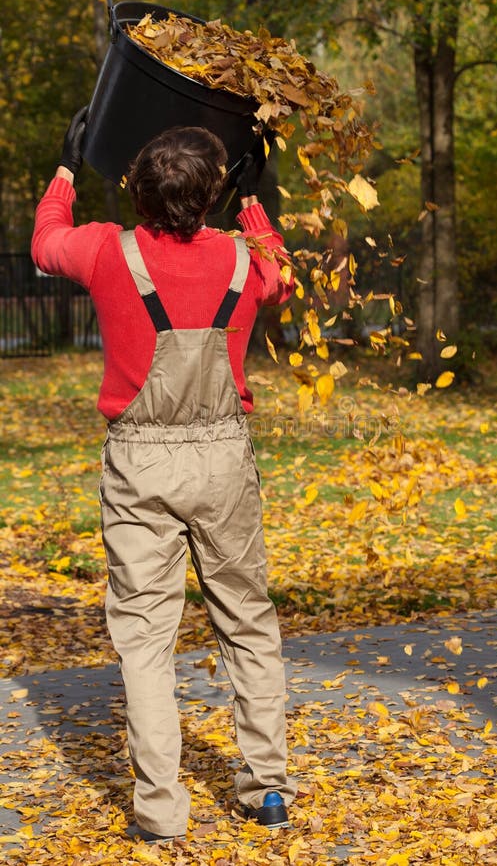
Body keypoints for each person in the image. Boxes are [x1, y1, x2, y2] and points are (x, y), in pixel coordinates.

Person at [31, 108, 298, 842]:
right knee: (246, 619)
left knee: (145, 638)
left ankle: (159, 810)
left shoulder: (105, 252)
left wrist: (64, 168)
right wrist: (253, 198)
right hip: (221, 457)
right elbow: (283, 274)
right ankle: (267, 788)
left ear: (138, 191)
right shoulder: (245, 262)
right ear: (209, 197)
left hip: (141, 459)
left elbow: (45, 241)